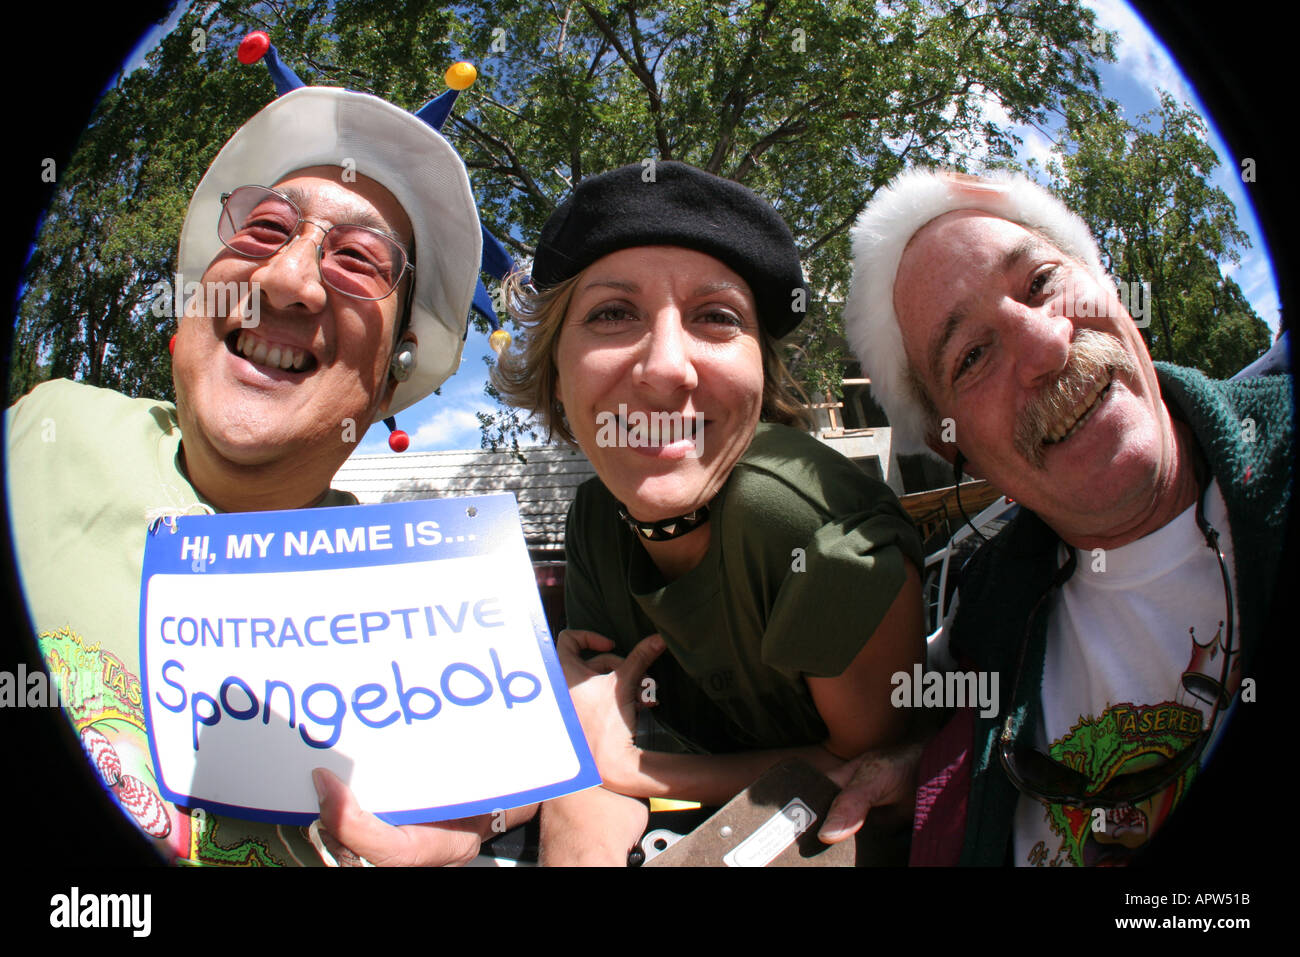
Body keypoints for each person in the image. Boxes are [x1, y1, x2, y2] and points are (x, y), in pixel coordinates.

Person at [4, 32, 526, 866]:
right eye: (261, 228)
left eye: (358, 260)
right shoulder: (41, 434)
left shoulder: (416, 600)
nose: (289, 278)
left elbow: (523, 766)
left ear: (390, 381)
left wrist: (466, 831)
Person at [824, 167, 1292, 865]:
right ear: (961, 450)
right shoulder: (986, 616)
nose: (1046, 348)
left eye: (1041, 282)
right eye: (973, 355)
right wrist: (931, 768)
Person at [491, 161, 926, 865]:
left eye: (716, 317)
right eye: (612, 313)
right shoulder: (596, 519)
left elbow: (870, 771)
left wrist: (635, 769)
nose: (666, 367)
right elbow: (601, 711)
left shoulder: (792, 517)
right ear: (554, 367)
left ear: (761, 369)